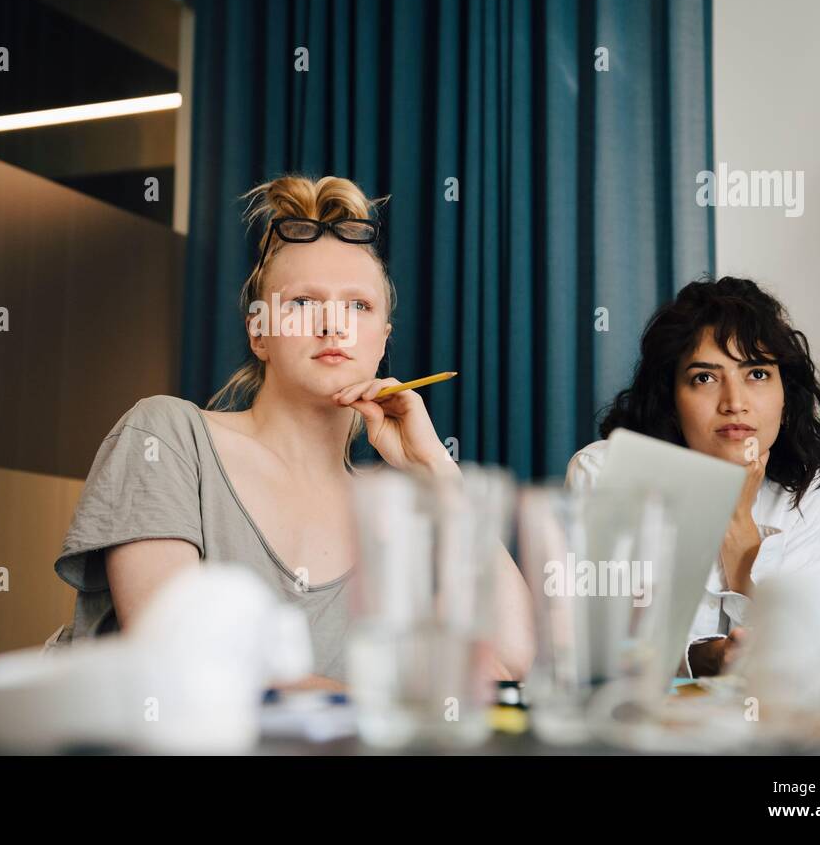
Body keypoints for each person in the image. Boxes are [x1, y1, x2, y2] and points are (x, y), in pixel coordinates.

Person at [54, 176, 534, 687]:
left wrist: (437, 472)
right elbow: (182, 662)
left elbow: (515, 662)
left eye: (358, 306)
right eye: (303, 303)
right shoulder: (167, 436)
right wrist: (390, 709)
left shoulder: (393, 509)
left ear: (382, 341)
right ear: (259, 332)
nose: (334, 326)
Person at [566, 276, 820, 676]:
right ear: (671, 399)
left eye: (758, 374)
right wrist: (700, 657)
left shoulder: (802, 491)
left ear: (786, 394)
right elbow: (594, 648)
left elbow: (807, 656)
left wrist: (737, 518)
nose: (735, 403)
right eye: (705, 378)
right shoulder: (605, 473)